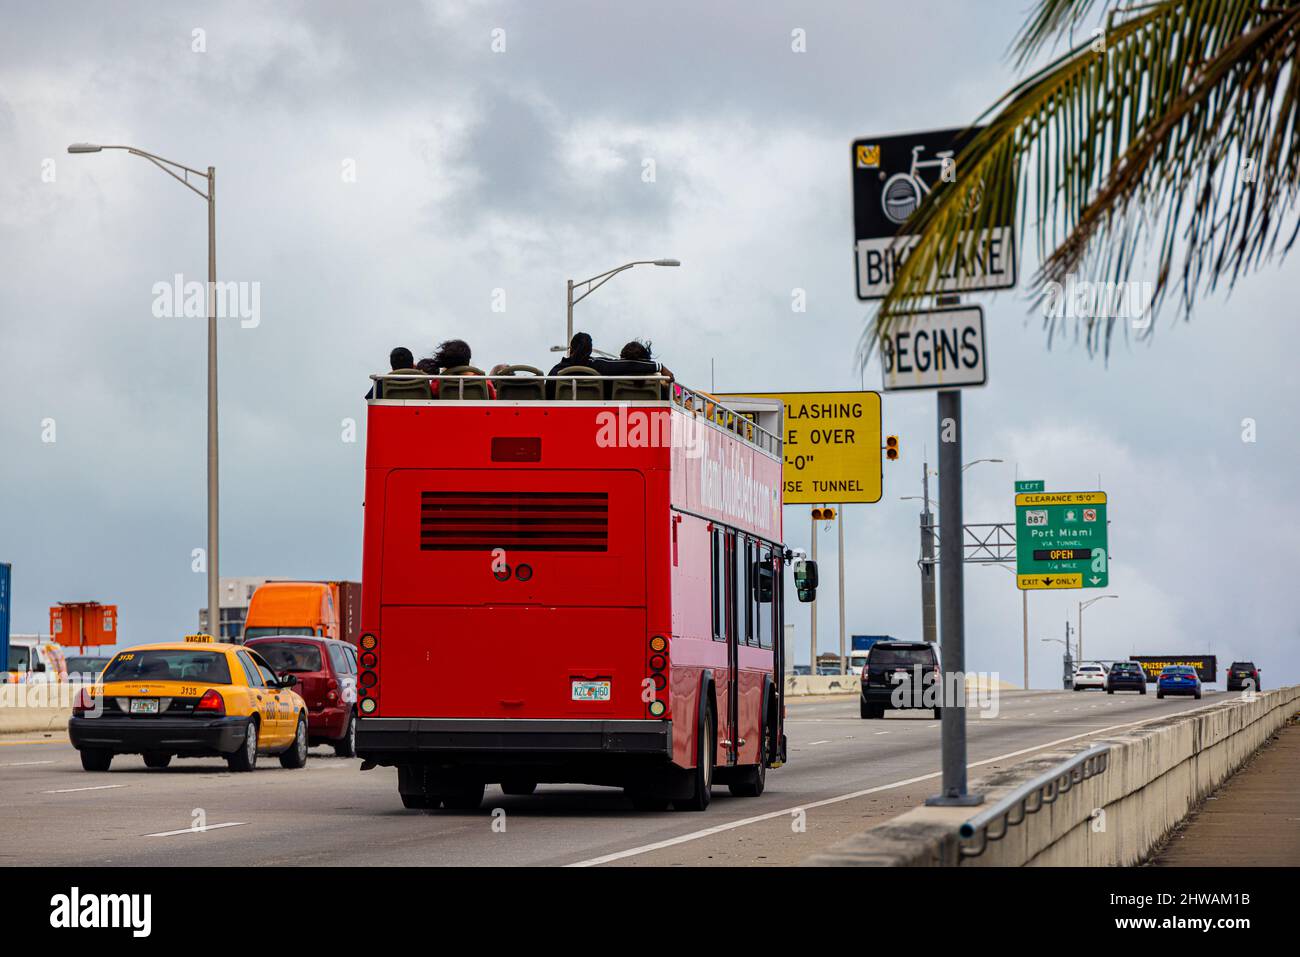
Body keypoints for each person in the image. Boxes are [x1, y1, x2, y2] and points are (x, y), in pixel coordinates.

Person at [591, 339, 673, 397]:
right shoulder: (657, 386)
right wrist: (659, 367)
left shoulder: (610, 381)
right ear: (646, 359)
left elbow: (628, 364)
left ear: (621, 358)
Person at [429, 339, 496, 398]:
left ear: (446, 363)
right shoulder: (484, 382)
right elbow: (493, 398)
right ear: (468, 359)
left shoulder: (438, 382)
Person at [546, 332, 596, 399]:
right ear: (590, 351)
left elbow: (548, 396)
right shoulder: (600, 367)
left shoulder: (556, 372)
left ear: (571, 349)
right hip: (593, 409)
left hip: (562, 409)